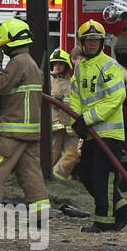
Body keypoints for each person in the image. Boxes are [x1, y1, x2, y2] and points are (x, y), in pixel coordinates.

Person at [68, 20, 127, 232]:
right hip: (90, 134)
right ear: (82, 43)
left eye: (96, 40)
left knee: (103, 176)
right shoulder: (79, 71)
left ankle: (103, 222)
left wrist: (87, 118)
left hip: (110, 133)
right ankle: (123, 209)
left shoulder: (109, 66)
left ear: (101, 43)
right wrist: (76, 121)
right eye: (88, 41)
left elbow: (116, 97)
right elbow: (75, 98)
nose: (92, 44)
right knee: (86, 175)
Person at [0, 19, 49, 214]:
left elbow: (0, 85)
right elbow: (11, 93)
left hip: (13, 129)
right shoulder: (31, 63)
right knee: (30, 172)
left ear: (8, 42)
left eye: (1, 42)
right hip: (30, 131)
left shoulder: (17, 63)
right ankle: (41, 214)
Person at [47, 49, 81, 183]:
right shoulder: (46, 81)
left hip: (71, 129)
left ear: (66, 66)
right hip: (53, 128)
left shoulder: (74, 83)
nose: (57, 67)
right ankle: (44, 182)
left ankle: (58, 181)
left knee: (72, 155)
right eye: (54, 64)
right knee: (51, 156)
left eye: (60, 64)